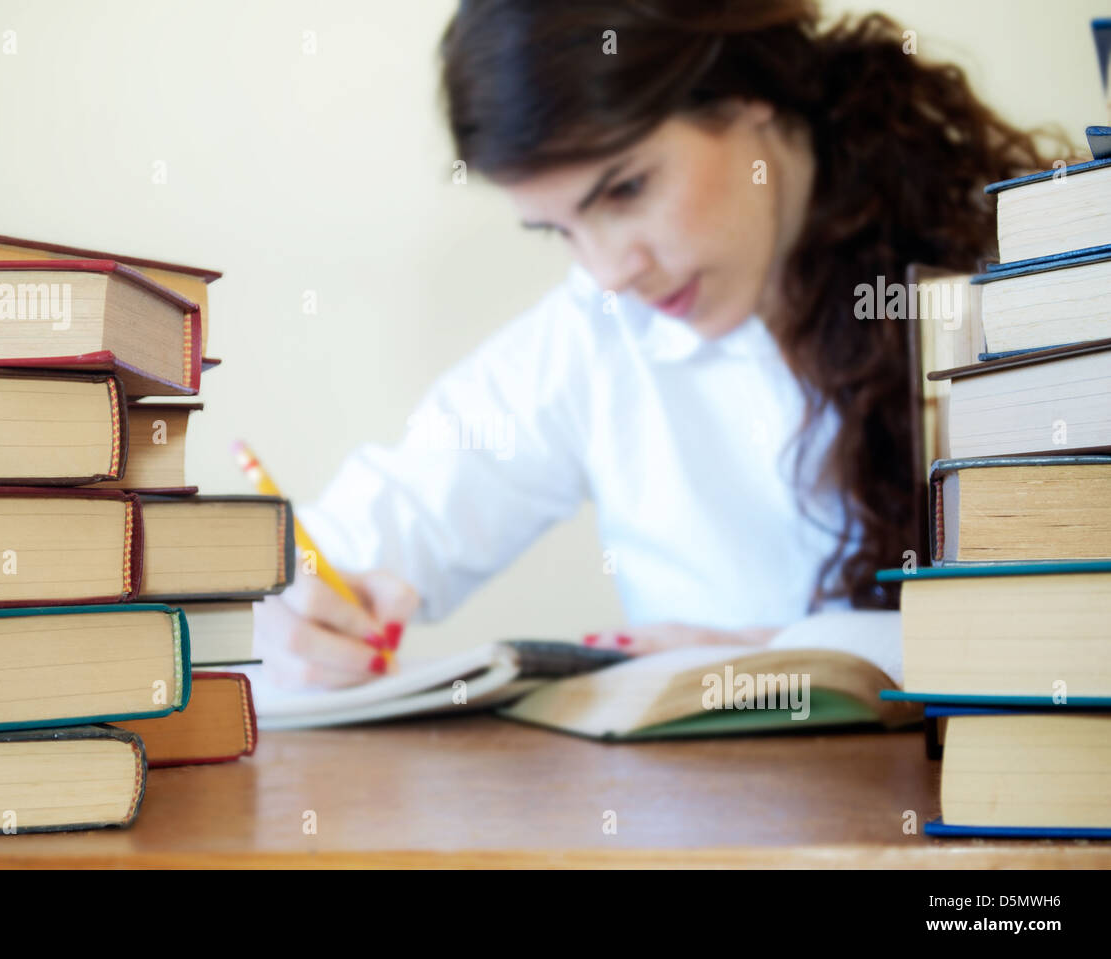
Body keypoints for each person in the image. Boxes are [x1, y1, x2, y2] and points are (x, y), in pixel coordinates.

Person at [254, 0, 1066, 689]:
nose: (608, 270)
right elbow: (381, 527)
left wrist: (803, 656)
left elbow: (1071, 625)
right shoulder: (594, 334)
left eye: (628, 189)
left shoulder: (1020, 274)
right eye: (558, 230)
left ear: (747, 91)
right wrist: (289, 602)